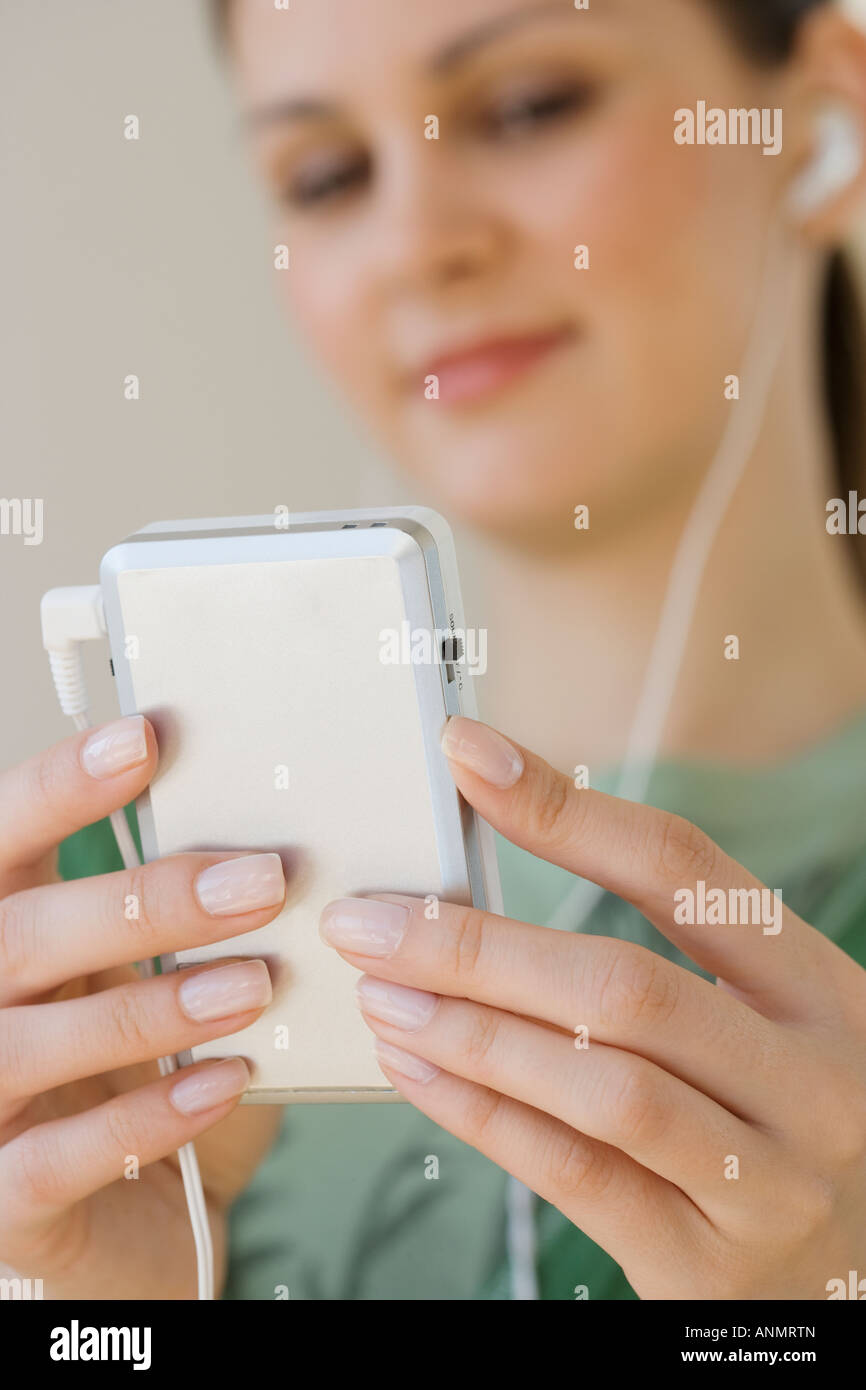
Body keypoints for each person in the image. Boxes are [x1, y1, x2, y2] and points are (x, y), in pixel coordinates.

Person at [2, 0, 866, 1300]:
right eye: (326, 175)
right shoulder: (112, 952)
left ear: (825, 114)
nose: (415, 246)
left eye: (527, 107)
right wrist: (111, 1316)